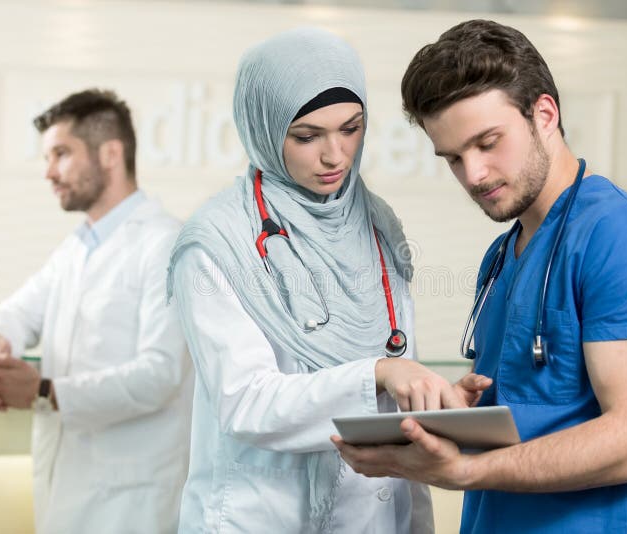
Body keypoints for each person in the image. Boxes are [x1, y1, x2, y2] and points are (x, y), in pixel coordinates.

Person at [334, 19, 627, 533]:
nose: (473, 174)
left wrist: (463, 471)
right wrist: (456, 415)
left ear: (544, 114)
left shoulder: (621, 236)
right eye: (454, 158)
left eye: (488, 142)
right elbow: (533, 410)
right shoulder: (502, 254)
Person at [166, 28, 486, 533]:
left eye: (351, 128)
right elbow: (245, 403)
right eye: (307, 136)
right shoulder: (216, 242)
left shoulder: (376, 224)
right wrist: (379, 373)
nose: (336, 155)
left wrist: (432, 402)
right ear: (264, 128)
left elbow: (393, 361)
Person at [0, 89, 193, 534]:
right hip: (67, 493)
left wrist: (44, 391)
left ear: (110, 154)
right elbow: (14, 314)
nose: (48, 172)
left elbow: (160, 374)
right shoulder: (76, 249)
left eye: (61, 154)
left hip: (133, 505)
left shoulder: (166, 244)